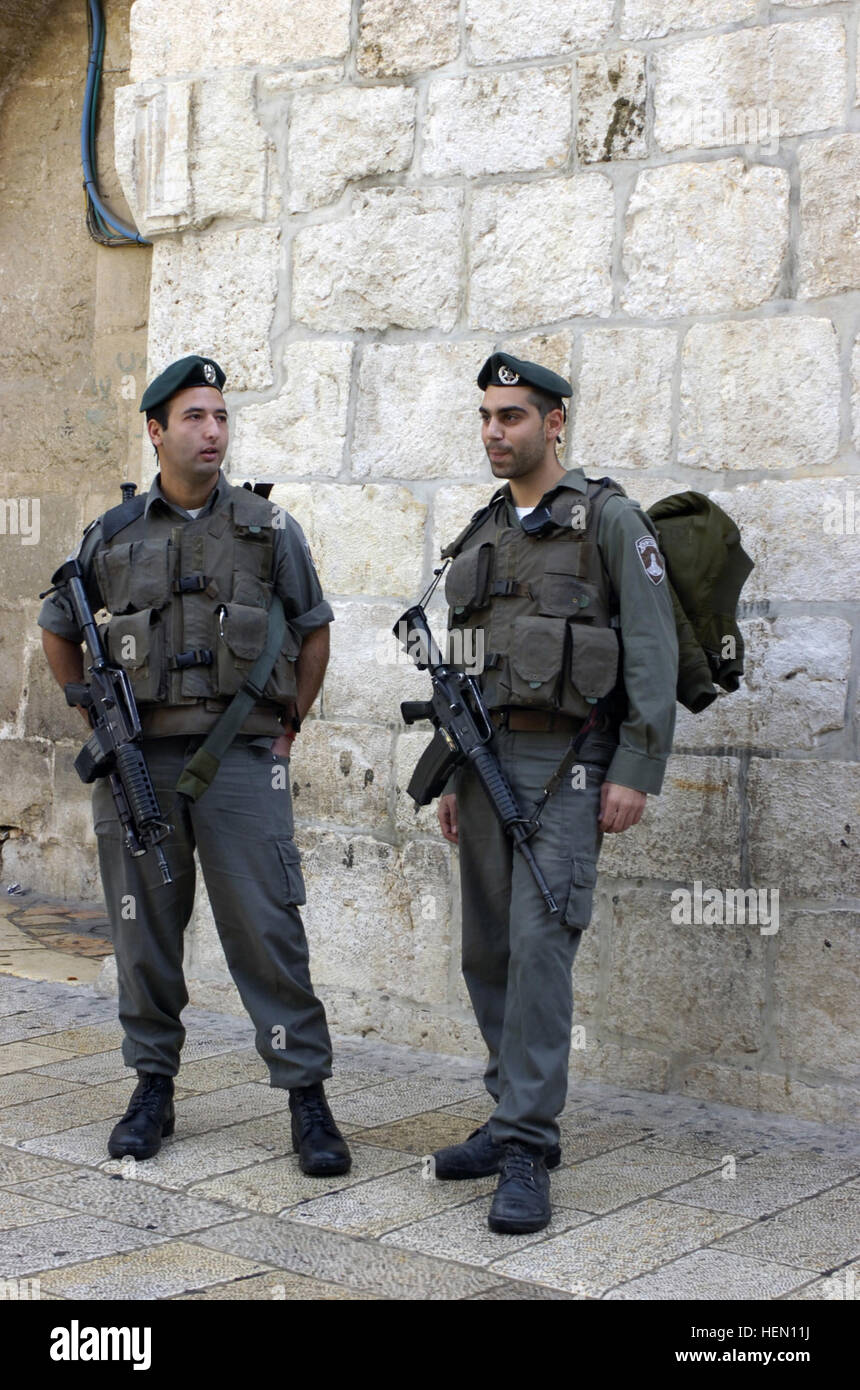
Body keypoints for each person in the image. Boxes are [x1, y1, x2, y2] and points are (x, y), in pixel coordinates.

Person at [38, 354, 350, 1176]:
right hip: (137, 764)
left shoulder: (267, 530)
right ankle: (152, 1086)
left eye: (220, 417)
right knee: (143, 935)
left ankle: (306, 1098)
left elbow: (313, 629)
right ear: (156, 431)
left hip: (243, 761)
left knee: (268, 928)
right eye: (194, 418)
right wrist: (91, 710)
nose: (212, 431)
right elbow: (58, 629)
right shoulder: (111, 535)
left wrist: (289, 731)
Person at [431, 352, 678, 1234]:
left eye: (515, 417)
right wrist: (452, 771)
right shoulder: (481, 533)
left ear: (555, 424)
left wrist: (635, 768)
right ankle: (509, 1116)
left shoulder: (608, 521)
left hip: (568, 767)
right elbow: (461, 663)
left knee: (541, 954)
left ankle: (529, 1147)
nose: (497, 433)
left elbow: (652, 650)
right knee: (487, 951)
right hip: (486, 765)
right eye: (489, 417)